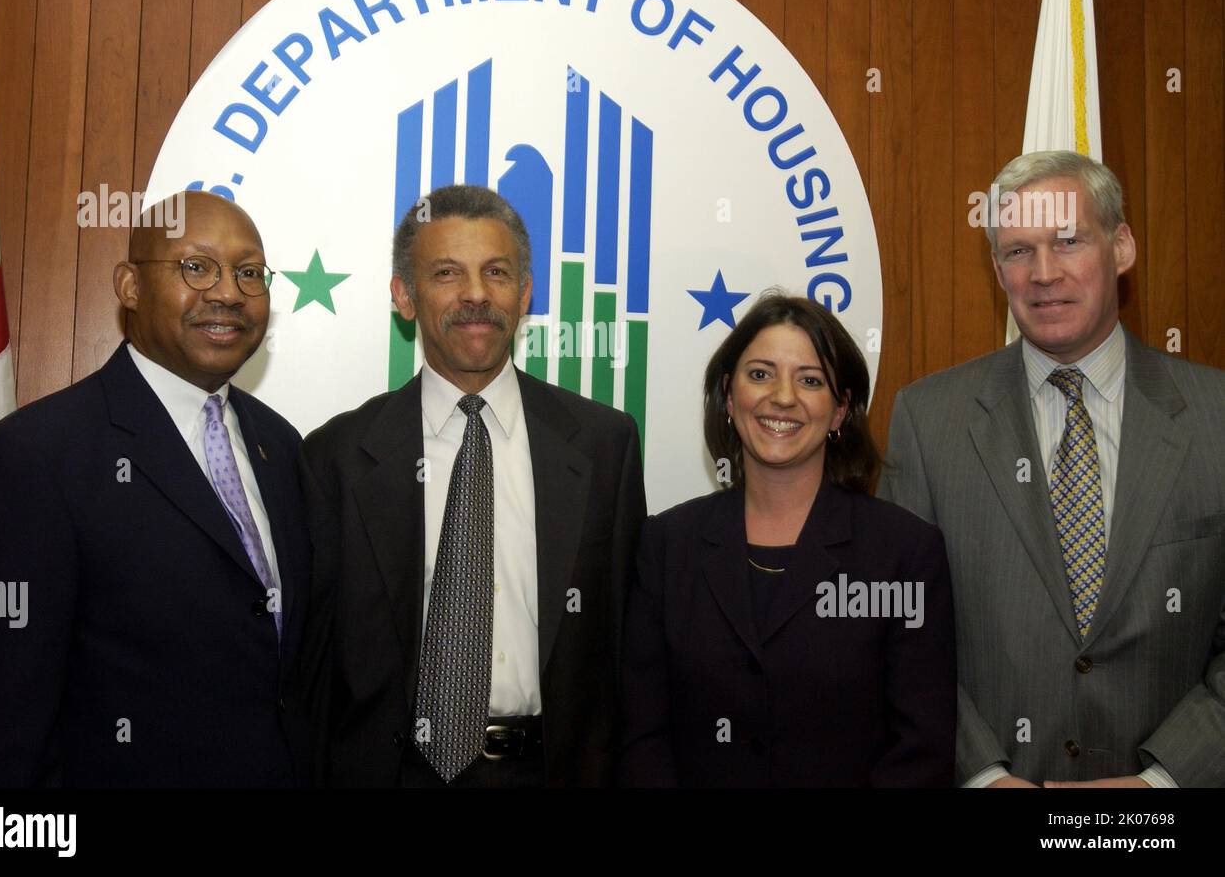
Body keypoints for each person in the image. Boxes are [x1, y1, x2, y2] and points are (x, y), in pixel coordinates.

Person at [0, 191, 313, 786]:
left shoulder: (282, 447)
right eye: (196, 266)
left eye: (249, 273)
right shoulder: (35, 456)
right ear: (130, 286)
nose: (229, 293)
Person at [880, 150, 1225, 787]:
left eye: (1068, 241)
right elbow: (901, 631)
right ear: (996, 268)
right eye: (1018, 251)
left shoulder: (1216, 418)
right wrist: (981, 774)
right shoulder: (930, 421)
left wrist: (1164, 781)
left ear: (1121, 247)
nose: (1043, 273)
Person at [299, 185, 645, 787]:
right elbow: (315, 665)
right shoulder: (337, 456)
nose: (477, 295)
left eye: (496, 272)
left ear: (525, 292)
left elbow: (628, 650)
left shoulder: (603, 445)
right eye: (447, 273)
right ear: (404, 297)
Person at [620, 292, 955, 786]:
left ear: (840, 411)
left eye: (810, 380)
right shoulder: (667, 546)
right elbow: (642, 737)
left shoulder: (904, 554)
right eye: (760, 374)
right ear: (729, 398)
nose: (782, 397)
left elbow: (922, 750)